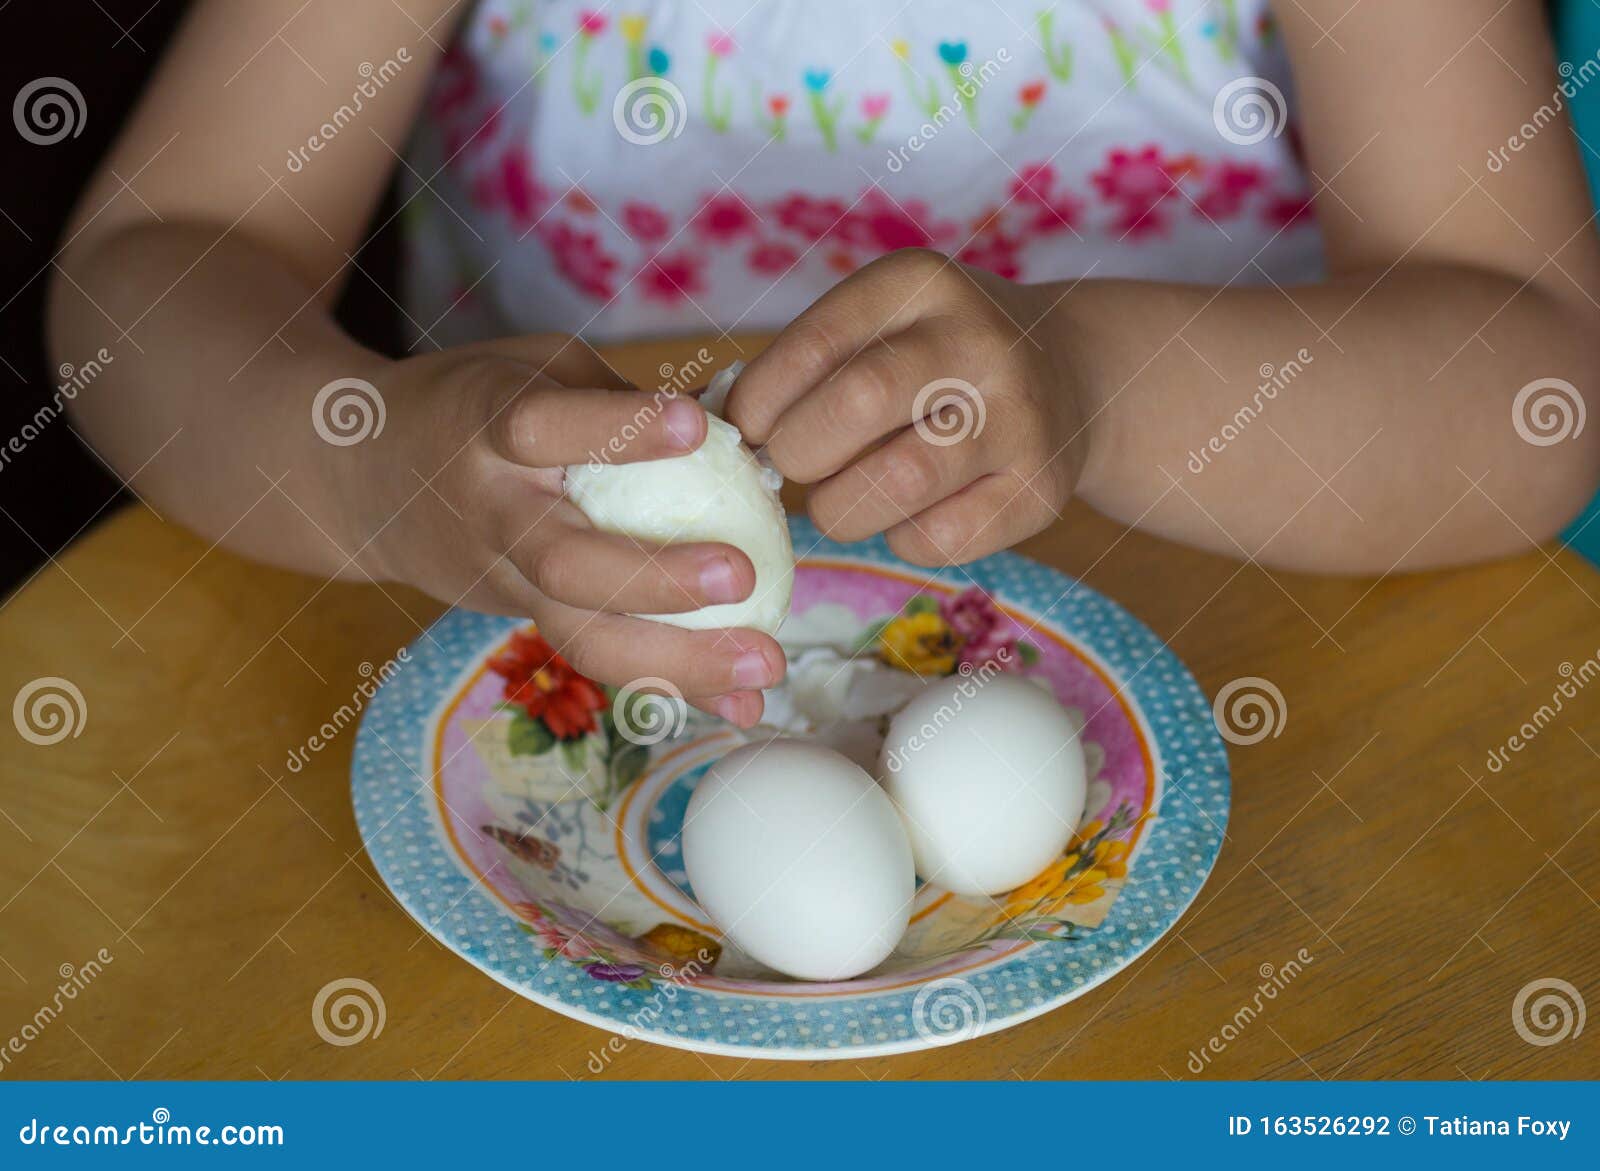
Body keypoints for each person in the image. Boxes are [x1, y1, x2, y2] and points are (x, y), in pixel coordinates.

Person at [47, 1, 1600, 727]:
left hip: (1257, 712)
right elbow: (154, 269)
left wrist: (1095, 380)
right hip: (567, 712)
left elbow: (1535, 377)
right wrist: (376, 468)